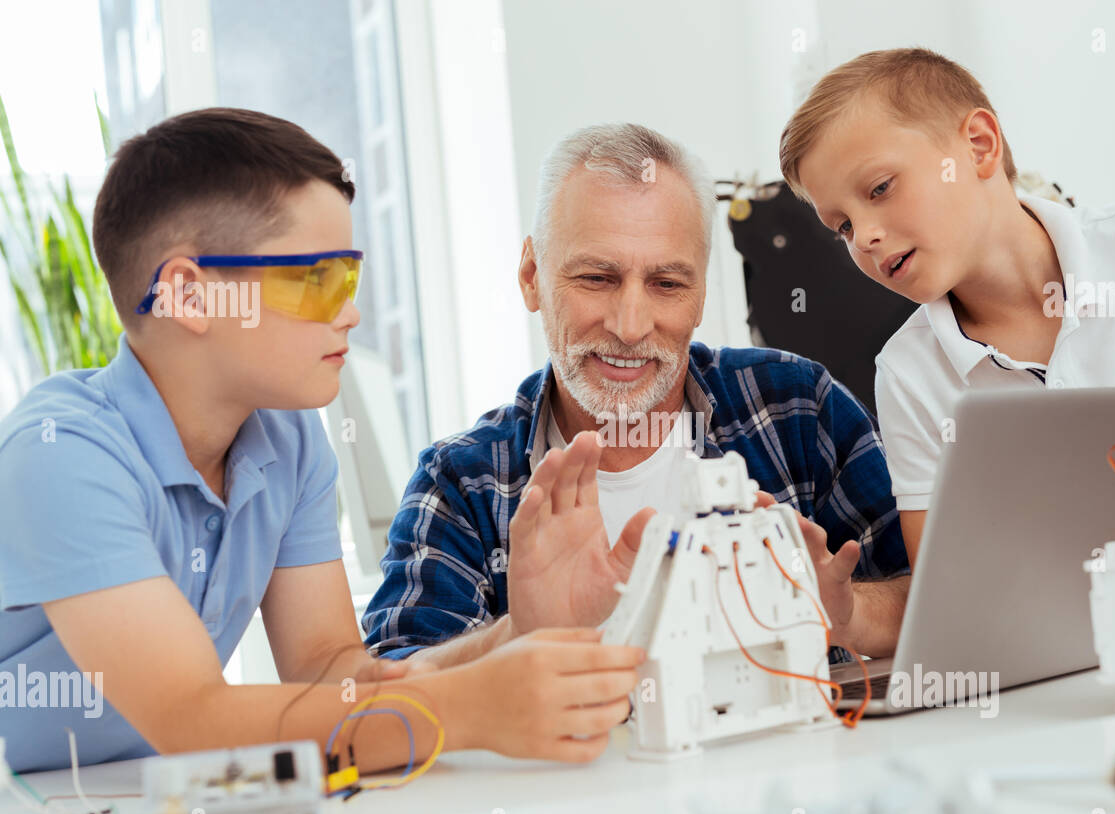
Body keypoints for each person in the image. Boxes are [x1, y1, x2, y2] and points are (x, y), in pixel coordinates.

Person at [0, 108, 642, 772]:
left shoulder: (286, 437)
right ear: (189, 296)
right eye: (317, 280)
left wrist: (516, 634)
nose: (352, 311)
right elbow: (192, 717)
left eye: (350, 276)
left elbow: (330, 676)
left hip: (119, 804)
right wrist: (465, 710)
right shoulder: (60, 454)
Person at [365, 122, 911, 668]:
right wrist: (520, 635)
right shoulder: (461, 482)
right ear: (532, 276)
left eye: (667, 284)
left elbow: (936, 595)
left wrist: (850, 612)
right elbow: (390, 698)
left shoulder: (797, 409)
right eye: (597, 278)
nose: (630, 327)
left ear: (700, 296)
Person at [779, 48, 1115, 566]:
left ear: (979, 146)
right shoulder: (906, 373)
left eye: (880, 188)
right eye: (842, 226)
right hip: (1092, 647)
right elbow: (952, 595)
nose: (865, 236)